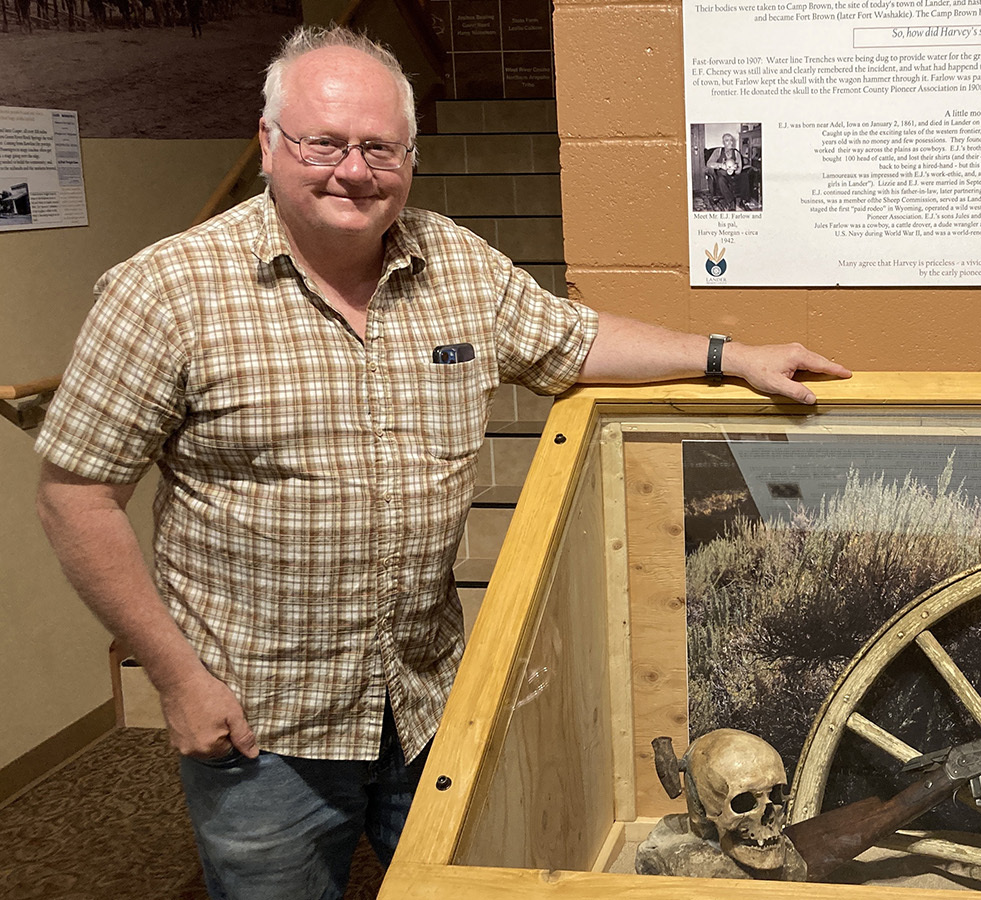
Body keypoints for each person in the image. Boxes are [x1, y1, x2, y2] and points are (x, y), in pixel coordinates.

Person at [33, 26, 848, 900]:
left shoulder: (455, 263)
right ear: (268, 144)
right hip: (260, 725)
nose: (354, 169)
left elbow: (575, 340)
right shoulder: (163, 291)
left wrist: (727, 355)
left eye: (379, 147)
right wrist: (178, 678)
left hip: (427, 702)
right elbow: (76, 496)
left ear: (410, 155)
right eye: (325, 142)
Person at [707, 132, 744, 211]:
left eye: (731, 140)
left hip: (733, 176)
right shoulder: (718, 151)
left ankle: (744, 201)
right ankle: (731, 202)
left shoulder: (737, 153)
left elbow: (739, 170)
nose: (730, 142)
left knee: (745, 176)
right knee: (720, 179)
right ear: (723, 143)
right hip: (723, 176)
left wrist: (735, 168)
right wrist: (721, 165)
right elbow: (709, 163)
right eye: (727, 140)